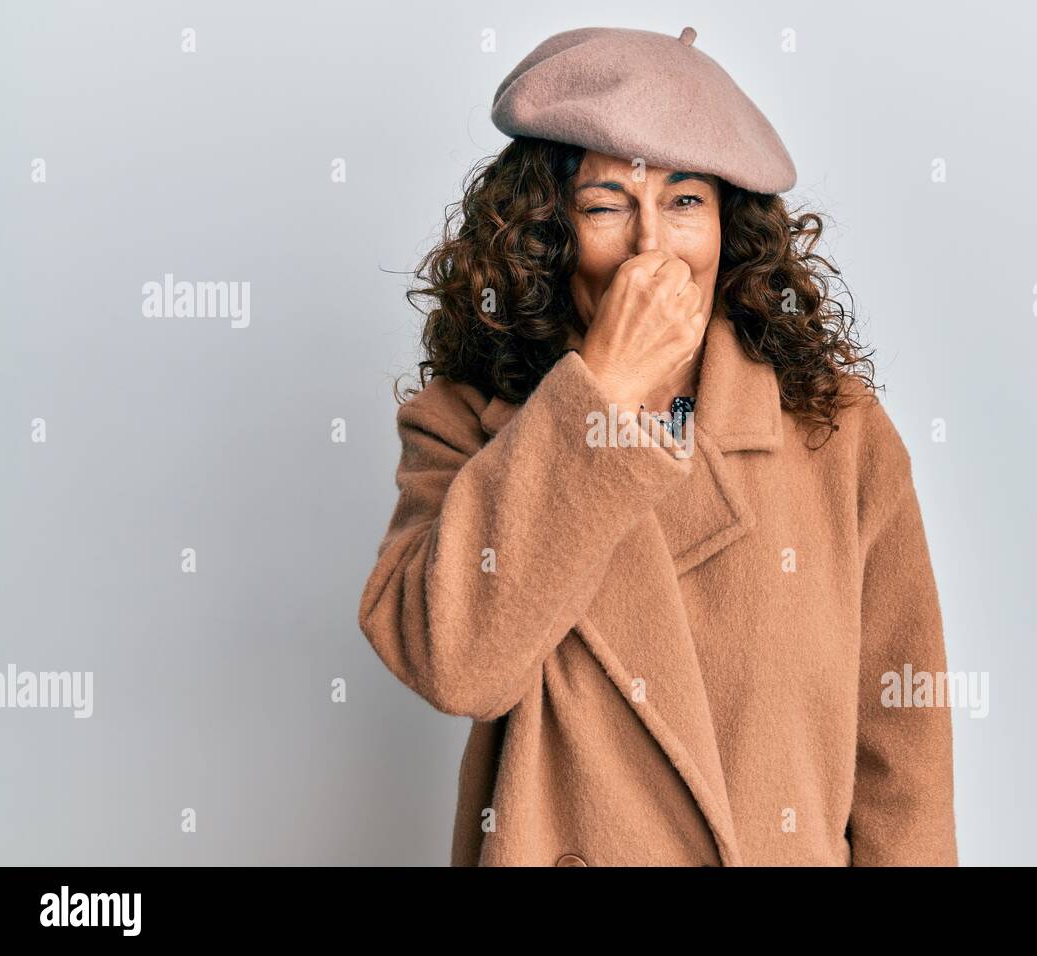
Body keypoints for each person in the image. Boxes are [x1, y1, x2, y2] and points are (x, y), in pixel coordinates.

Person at [357, 25, 958, 866]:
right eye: (606, 205)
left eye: (685, 202)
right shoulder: (463, 425)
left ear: (730, 230)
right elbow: (456, 664)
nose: (652, 248)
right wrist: (600, 390)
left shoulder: (838, 433)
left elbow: (906, 761)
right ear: (546, 233)